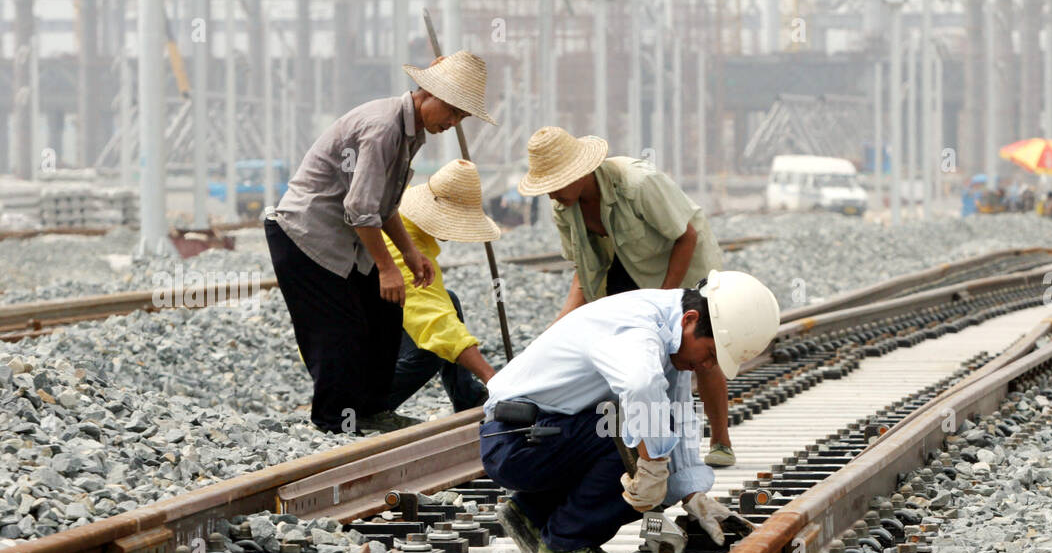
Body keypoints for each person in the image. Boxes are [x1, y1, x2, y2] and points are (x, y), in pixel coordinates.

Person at [480, 270, 779, 553]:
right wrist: (652, 467)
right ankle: (567, 540)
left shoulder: (669, 326)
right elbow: (640, 386)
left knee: (650, 437)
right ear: (690, 319)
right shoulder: (638, 327)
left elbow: (675, 408)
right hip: (514, 441)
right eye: (711, 354)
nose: (706, 366)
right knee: (635, 441)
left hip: (542, 435)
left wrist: (693, 495)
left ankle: (531, 510)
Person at [265, 51, 496, 434]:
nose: (453, 123)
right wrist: (388, 267)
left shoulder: (410, 132)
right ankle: (335, 421)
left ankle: (371, 411)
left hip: (343, 239)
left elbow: (385, 204)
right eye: (453, 112)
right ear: (428, 93)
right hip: (306, 237)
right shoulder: (383, 128)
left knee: (385, 313)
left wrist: (408, 253)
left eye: (461, 118)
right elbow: (359, 207)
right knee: (339, 328)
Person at [515, 126, 741, 469]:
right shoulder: (565, 207)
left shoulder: (637, 183)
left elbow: (686, 237)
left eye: (555, 184)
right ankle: (638, 443)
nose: (550, 195)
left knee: (700, 348)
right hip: (621, 268)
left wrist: (664, 306)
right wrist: (561, 324)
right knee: (624, 350)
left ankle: (720, 439)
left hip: (682, 261)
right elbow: (584, 267)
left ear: (580, 172)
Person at [381, 159, 498, 421]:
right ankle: (367, 406)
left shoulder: (405, 216)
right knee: (433, 347)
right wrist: (492, 377)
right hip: (346, 355)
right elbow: (434, 322)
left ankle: (467, 398)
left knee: (449, 300)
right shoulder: (401, 244)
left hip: (365, 327)